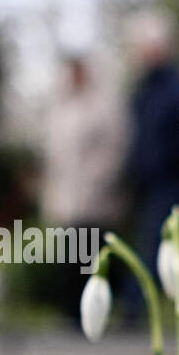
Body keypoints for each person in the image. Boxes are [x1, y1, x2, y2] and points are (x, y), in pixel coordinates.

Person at [123, 10, 179, 326]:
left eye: (145, 46)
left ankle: (133, 311)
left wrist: (177, 167)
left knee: (156, 243)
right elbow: (138, 137)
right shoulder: (144, 91)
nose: (140, 54)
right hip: (150, 182)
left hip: (176, 181)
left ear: (163, 47)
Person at [40, 54, 126, 321]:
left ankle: (103, 314)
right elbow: (53, 158)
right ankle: (72, 316)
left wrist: (97, 182)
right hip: (66, 200)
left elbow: (115, 149)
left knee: (92, 256)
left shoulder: (104, 106)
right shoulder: (59, 109)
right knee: (69, 258)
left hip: (95, 199)